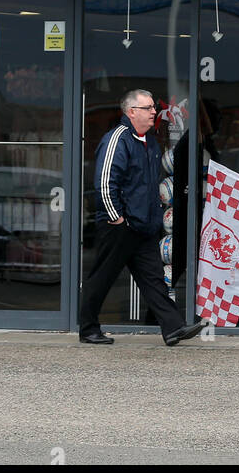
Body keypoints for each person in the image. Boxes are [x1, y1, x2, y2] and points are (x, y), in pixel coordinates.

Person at [79, 89, 206, 346]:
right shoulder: (117, 139)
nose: (153, 112)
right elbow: (105, 183)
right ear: (131, 112)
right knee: (102, 277)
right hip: (120, 226)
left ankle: (172, 328)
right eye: (147, 108)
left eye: (152, 108)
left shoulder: (150, 142)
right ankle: (88, 329)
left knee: (153, 279)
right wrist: (117, 219)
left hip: (144, 226)